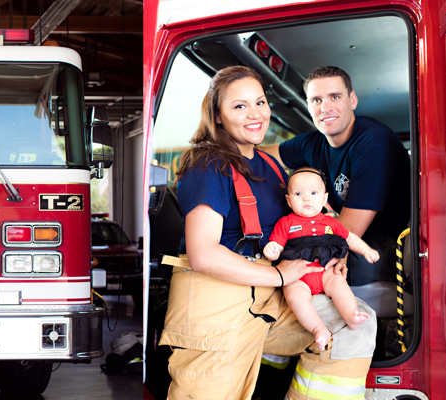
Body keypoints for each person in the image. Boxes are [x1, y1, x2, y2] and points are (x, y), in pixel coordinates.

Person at [160, 65, 374, 399]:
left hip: (270, 298)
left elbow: (298, 227)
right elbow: (202, 253)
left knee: (354, 323)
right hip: (217, 304)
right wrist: (280, 277)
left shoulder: (270, 165)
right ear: (217, 116)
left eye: (259, 102)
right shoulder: (208, 165)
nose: (254, 114)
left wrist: (334, 255)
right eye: (239, 106)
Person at [262, 66, 410, 286]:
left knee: (304, 265)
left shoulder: (373, 142)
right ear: (309, 107)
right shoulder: (311, 143)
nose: (326, 108)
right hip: (354, 234)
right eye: (316, 100)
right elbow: (260, 156)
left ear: (352, 100)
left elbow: (346, 232)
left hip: (388, 243)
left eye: (335, 97)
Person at [264, 167, 379, 351]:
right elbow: (277, 244)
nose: (306, 198)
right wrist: (273, 251)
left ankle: (351, 315)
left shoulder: (330, 222)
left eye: (313, 193)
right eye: (298, 193)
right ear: (289, 200)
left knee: (339, 284)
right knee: (295, 297)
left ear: (324, 199)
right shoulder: (286, 223)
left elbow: (348, 237)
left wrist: (365, 250)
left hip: (326, 272)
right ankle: (319, 329)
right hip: (298, 278)